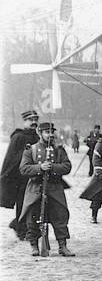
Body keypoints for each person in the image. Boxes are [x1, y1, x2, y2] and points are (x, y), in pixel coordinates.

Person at [18, 122, 75, 257]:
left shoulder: (59, 149)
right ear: (40, 133)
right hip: (36, 188)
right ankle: (34, 246)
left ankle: (62, 246)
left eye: (51, 132)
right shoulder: (30, 149)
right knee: (33, 218)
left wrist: (53, 167)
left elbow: (67, 166)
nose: (50, 135)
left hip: (54, 188)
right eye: (46, 132)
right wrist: (40, 168)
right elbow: (23, 168)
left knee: (60, 216)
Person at [2, 109, 41, 239]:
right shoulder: (18, 136)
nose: (34, 122)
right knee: (22, 203)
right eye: (31, 120)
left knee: (35, 203)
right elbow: (11, 158)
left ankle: (21, 224)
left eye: (36, 120)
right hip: (20, 177)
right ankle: (21, 230)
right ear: (24, 121)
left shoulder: (37, 137)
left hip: (35, 175)